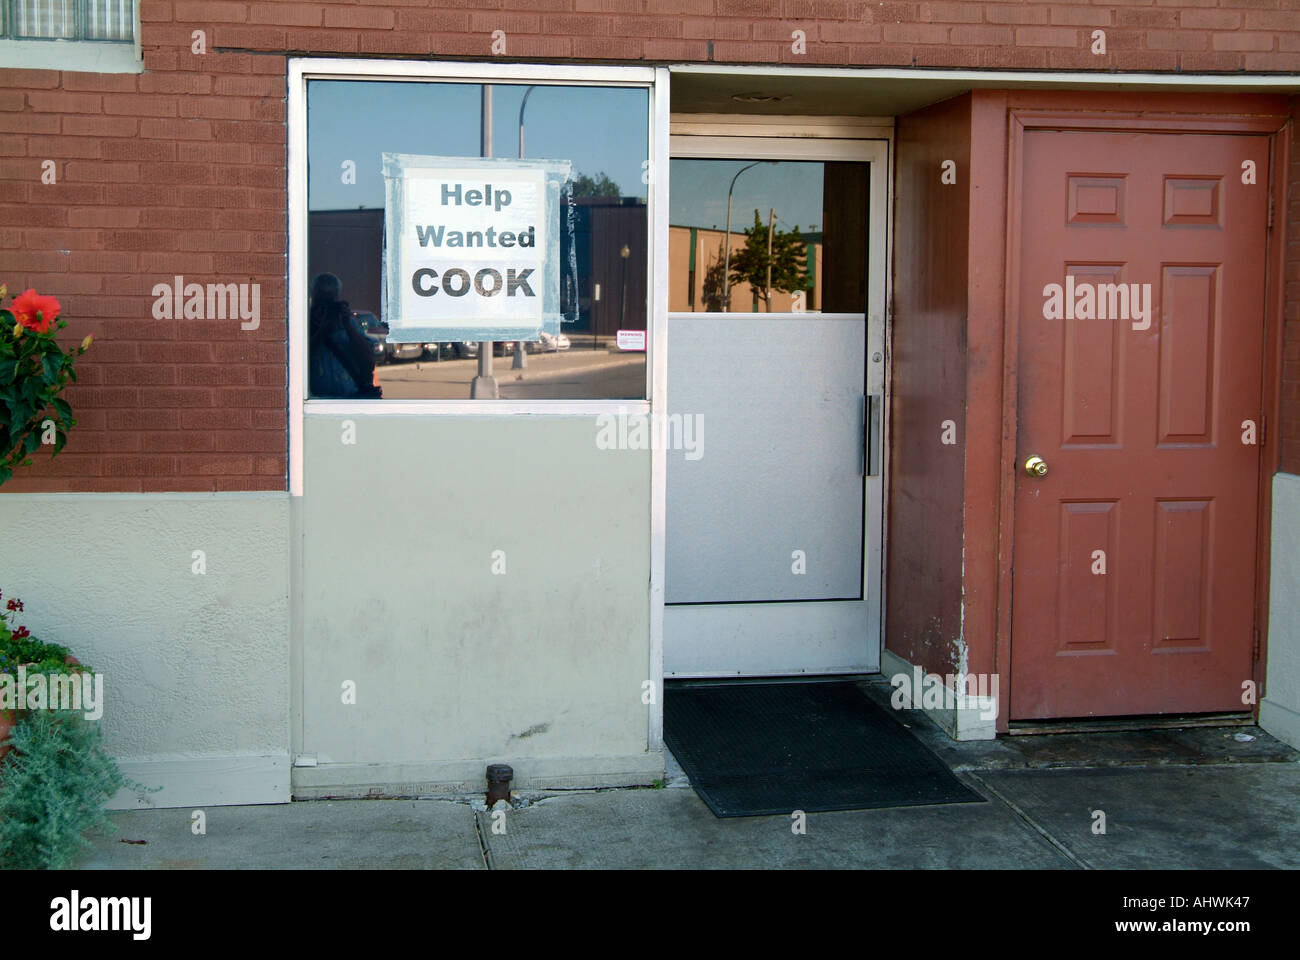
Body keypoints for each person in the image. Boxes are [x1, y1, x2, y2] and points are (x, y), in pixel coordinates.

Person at [308, 273, 381, 399]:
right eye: (321, 300)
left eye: (330, 301)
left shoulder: (346, 322)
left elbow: (368, 360)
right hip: (315, 401)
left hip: (349, 398)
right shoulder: (304, 324)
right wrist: (322, 332)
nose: (325, 307)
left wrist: (347, 324)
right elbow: (299, 359)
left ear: (337, 299)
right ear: (313, 298)